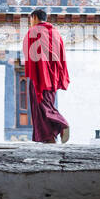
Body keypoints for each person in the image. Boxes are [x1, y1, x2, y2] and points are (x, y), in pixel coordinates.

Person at [22, 8, 71, 144]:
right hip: (53, 77)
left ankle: (62, 124)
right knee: (46, 104)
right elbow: (61, 56)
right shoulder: (55, 33)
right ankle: (48, 138)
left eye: (30, 19)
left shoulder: (33, 32)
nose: (30, 22)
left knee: (42, 107)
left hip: (39, 76)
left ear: (35, 17)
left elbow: (29, 53)